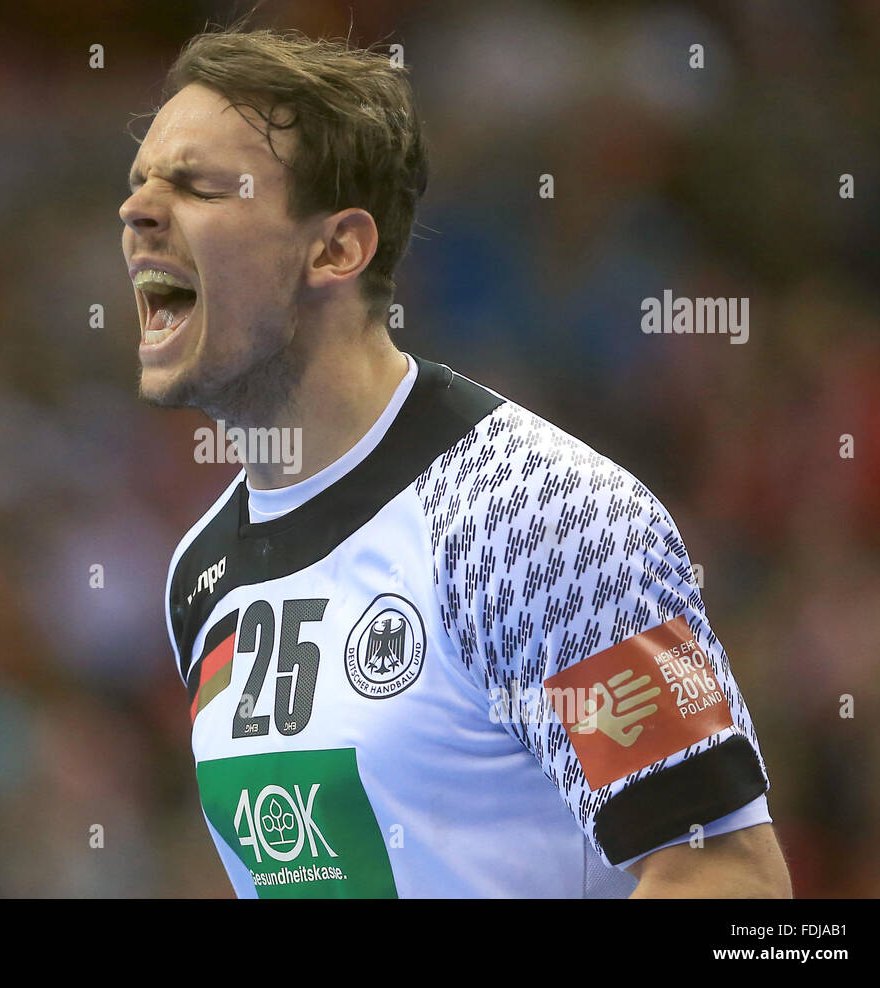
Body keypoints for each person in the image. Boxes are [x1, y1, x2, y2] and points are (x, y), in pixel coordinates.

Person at [119, 25, 792, 897]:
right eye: (139, 184)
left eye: (198, 186)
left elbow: (730, 876)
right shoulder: (201, 572)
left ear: (337, 249)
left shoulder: (533, 517)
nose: (138, 211)